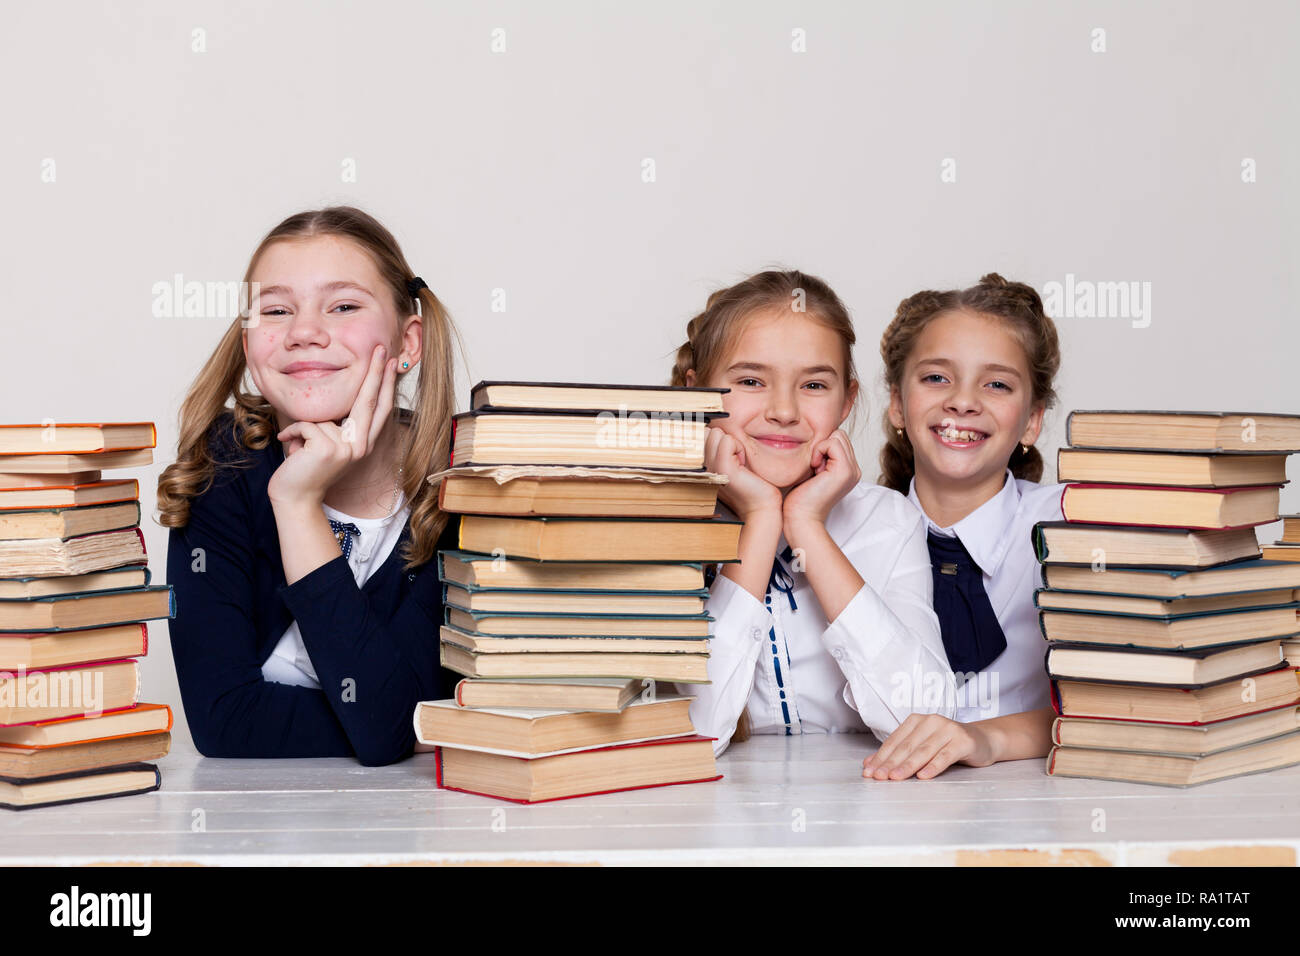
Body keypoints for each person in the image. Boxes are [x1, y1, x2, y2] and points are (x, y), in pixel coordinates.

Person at [157, 206, 459, 765]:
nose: (303, 333)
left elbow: (387, 730)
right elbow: (223, 723)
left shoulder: (459, 490)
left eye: (343, 306)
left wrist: (299, 507)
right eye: (276, 310)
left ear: (407, 343)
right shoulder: (221, 470)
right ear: (250, 345)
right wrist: (294, 499)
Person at [670, 270, 956, 758]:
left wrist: (806, 526)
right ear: (698, 393)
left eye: (814, 385)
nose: (783, 410)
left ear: (847, 400)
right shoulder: (652, 523)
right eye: (751, 381)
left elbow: (925, 718)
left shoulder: (887, 520)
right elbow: (694, 736)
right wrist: (760, 521)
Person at [863, 273, 1065, 781]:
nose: (963, 401)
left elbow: (1119, 704)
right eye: (936, 377)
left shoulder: (1068, 528)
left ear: (1033, 420)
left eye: (996, 384)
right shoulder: (847, 532)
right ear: (896, 404)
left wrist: (987, 738)